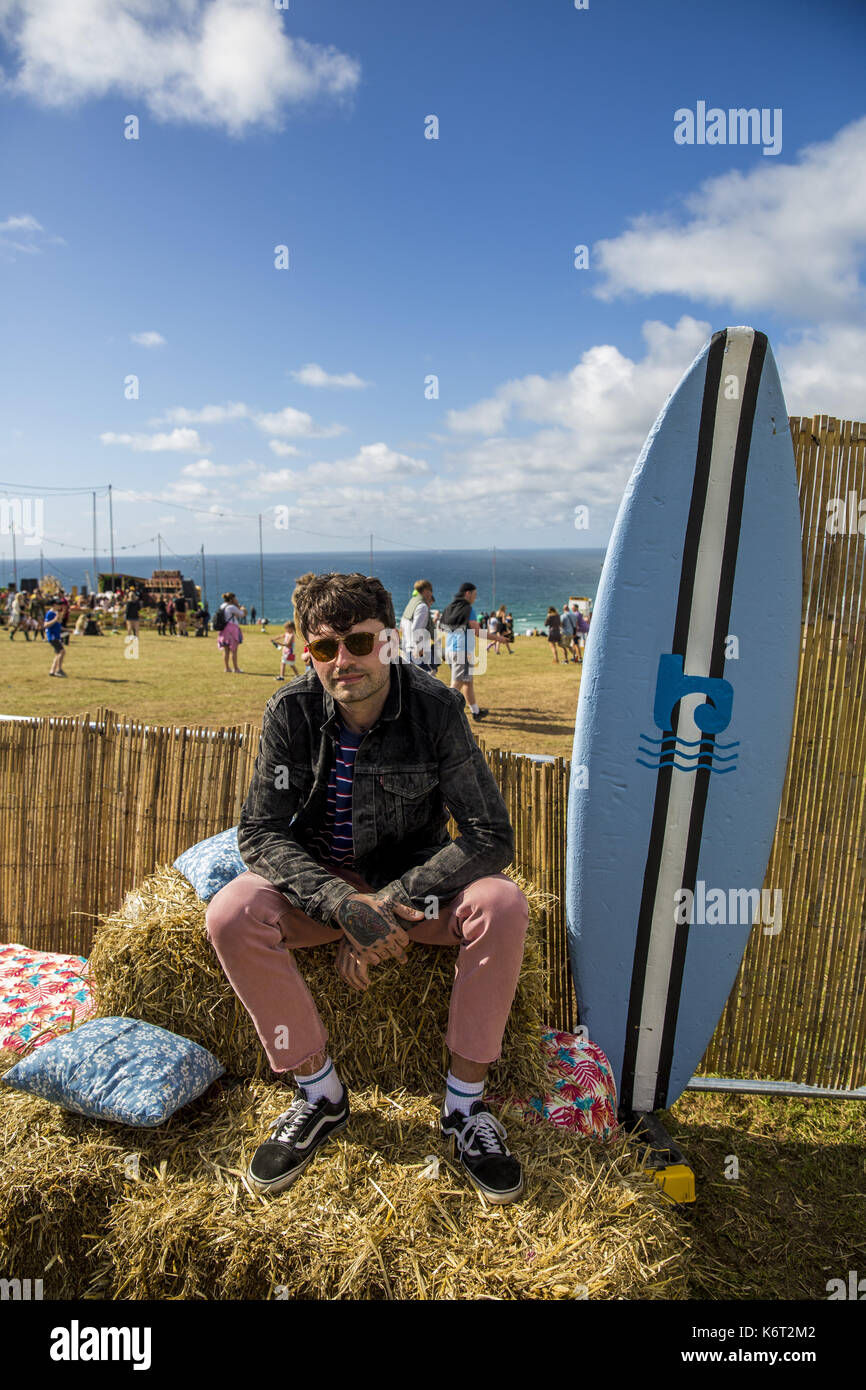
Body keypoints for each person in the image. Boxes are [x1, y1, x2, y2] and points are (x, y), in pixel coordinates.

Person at [205, 570, 528, 1204]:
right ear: (307, 652)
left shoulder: (436, 709)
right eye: (325, 648)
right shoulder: (291, 711)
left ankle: (465, 1109)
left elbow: (490, 835)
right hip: (325, 888)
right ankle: (319, 1094)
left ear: (391, 642)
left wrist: (388, 909)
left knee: (503, 902)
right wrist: (342, 907)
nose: (343, 660)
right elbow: (262, 833)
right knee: (231, 911)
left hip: (417, 887)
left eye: (359, 642)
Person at [440, 582, 487, 720]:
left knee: (467, 682)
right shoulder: (468, 609)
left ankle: (476, 712)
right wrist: (498, 638)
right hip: (462, 651)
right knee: (457, 684)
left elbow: (442, 627)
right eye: (475, 594)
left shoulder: (451, 607)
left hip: (450, 649)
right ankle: (442, 714)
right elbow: (477, 631)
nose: (475, 597)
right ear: (468, 593)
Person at [399, 579, 436, 672]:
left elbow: (402, 627)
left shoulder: (411, 603)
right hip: (417, 650)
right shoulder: (422, 606)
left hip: (407, 648)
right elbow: (417, 629)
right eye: (431, 591)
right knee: (429, 676)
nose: (431, 594)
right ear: (426, 591)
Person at [214, 591, 244, 673]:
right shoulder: (231, 607)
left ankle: (227, 668)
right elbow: (241, 614)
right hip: (232, 629)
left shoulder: (222, 606)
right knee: (234, 650)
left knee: (226, 650)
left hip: (224, 629)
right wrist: (239, 607)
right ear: (231, 599)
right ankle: (236, 668)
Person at [45, 605, 67, 677]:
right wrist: (55, 619)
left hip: (56, 636)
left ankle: (52, 671)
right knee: (62, 651)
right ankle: (58, 670)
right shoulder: (50, 613)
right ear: (54, 605)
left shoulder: (56, 613)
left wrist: (68, 630)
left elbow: (58, 625)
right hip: (52, 636)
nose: (60, 606)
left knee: (58, 653)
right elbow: (46, 625)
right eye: (59, 604)